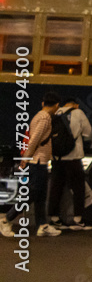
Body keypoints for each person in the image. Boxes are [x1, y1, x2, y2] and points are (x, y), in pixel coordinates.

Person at [0, 92, 62, 237]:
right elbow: (34, 140)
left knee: (40, 195)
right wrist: (26, 158)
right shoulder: (45, 118)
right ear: (56, 105)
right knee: (33, 192)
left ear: (43, 103)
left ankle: (42, 225)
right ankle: (7, 219)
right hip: (37, 160)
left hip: (39, 160)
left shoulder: (39, 116)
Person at [47, 98, 92, 231]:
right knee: (78, 187)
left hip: (56, 157)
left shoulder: (56, 113)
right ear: (75, 104)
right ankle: (77, 219)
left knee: (56, 186)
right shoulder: (78, 112)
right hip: (73, 157)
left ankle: (54, 218)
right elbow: (87, 132)